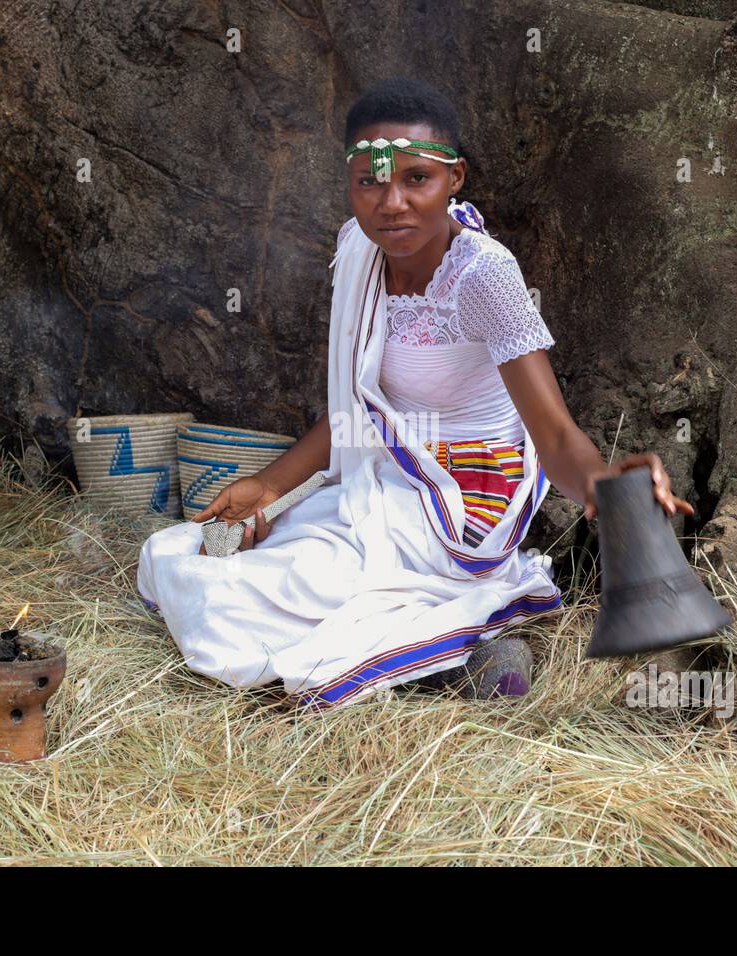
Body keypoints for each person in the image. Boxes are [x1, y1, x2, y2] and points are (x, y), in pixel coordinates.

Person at [137, 78, 691, 707]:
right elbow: (359, 411)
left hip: (461, 507)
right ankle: (455, 660)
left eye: (416, 179)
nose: (391, 203)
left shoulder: (484, 276)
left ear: (455, 179)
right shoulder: (357, 251)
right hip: (386, 484)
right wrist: (270, 487)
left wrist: (604, 485)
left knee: (257, 604)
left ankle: (463, 651)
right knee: (178, 554)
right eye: (369, 182)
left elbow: (555, 434)